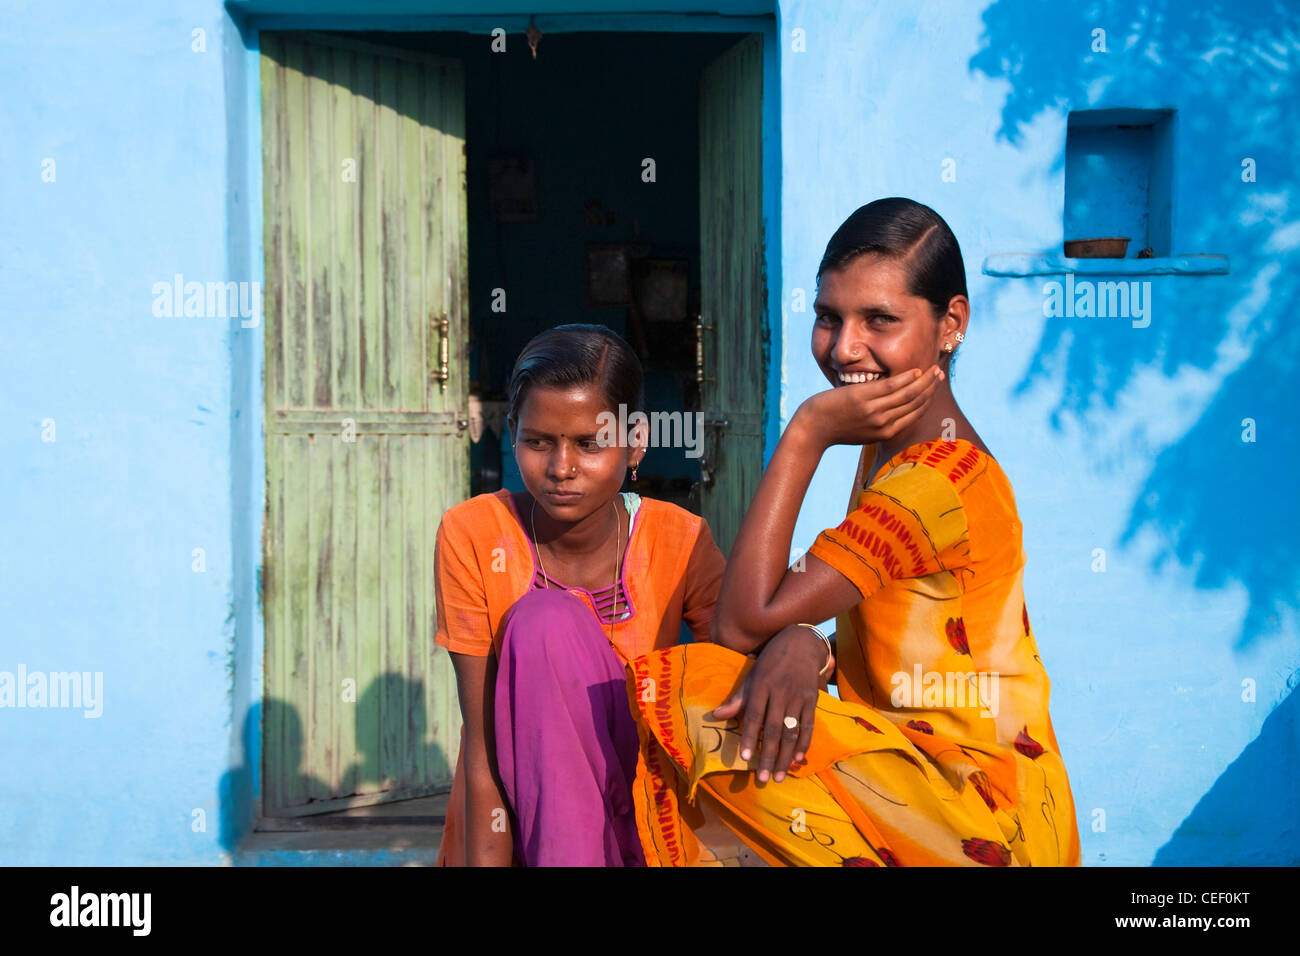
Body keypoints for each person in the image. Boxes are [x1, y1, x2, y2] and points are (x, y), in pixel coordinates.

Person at [628, 198, 1083, 866]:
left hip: (982, 812)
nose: (844, 346)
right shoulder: (896, 453)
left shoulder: (936, 481)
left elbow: (737, 625)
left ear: (950, 322)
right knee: (745, 695)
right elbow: (906, 641)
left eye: (880, 320)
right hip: (935, 782)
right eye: (827, 317)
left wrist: (806, 434)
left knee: (688, 690)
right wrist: (808, 646)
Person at [433, 324, 726, 866]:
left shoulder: (679, 540)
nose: (561, 468)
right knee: (545, 622)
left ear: (634, 441)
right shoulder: (474, 534)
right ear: (513, 433)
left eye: (590, 444)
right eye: (538, 441)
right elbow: (481, 748)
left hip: (640, 819)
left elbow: (735, 677)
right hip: (519, 822)